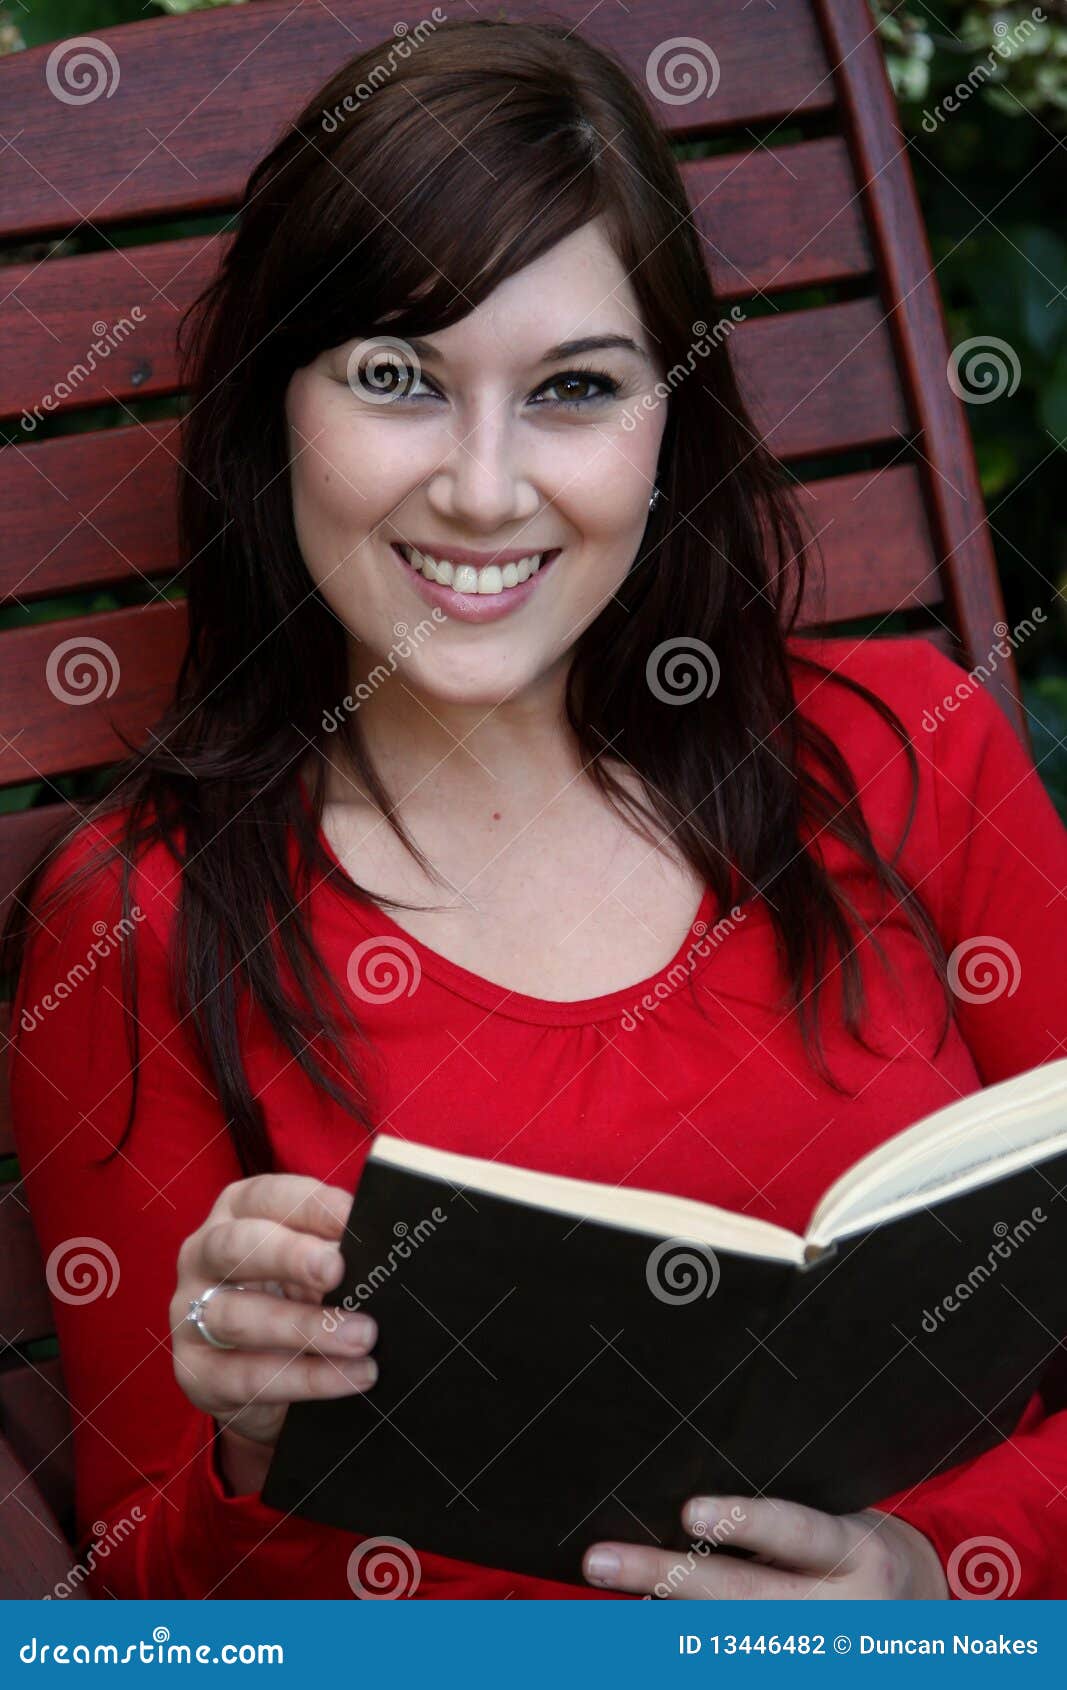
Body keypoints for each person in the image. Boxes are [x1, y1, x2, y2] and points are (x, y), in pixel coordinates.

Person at [6, 17, 1067, 1602]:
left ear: (668, 420)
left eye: (573, 387)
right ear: (272, 412)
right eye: (395, 380)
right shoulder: (144, 922)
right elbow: (142, 1622)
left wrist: (940, 1577)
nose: (486, 489)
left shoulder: (909, 746)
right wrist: (242, 1454)